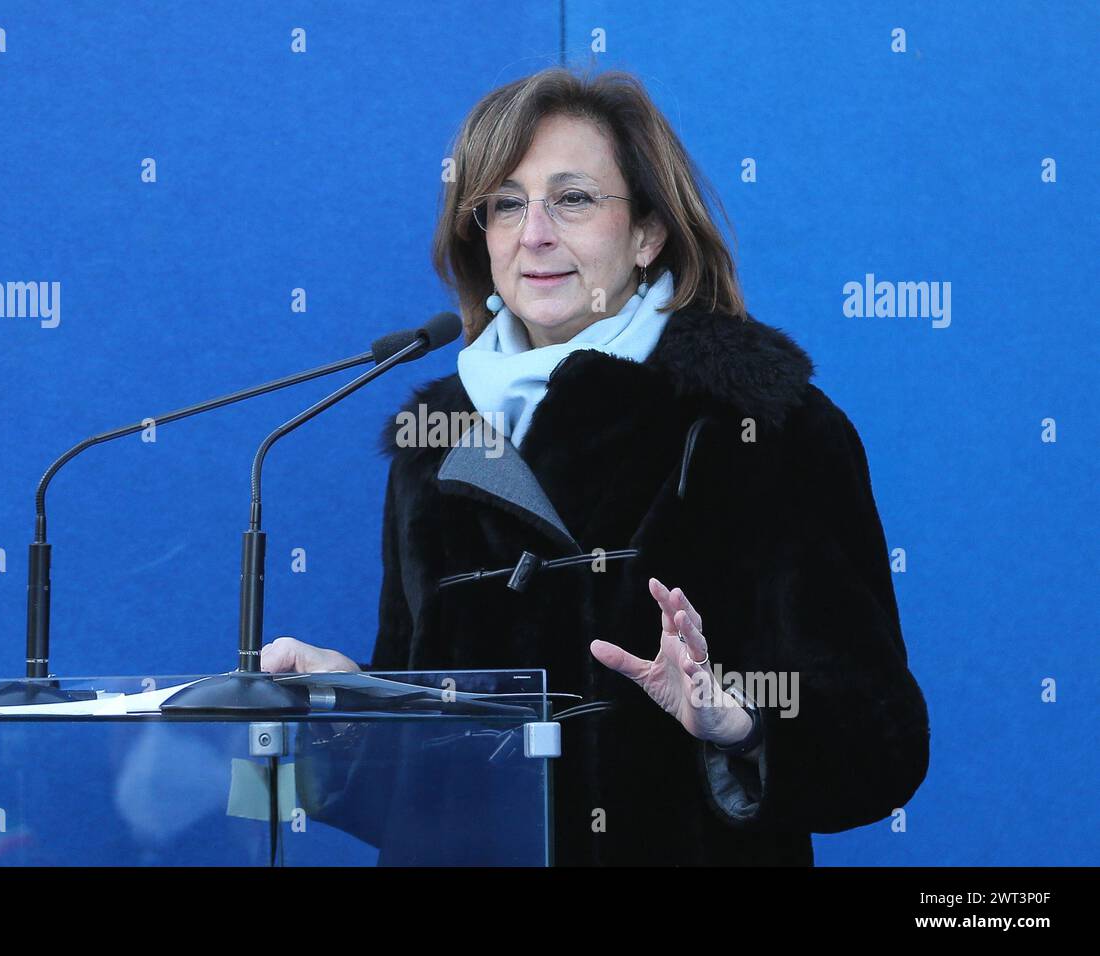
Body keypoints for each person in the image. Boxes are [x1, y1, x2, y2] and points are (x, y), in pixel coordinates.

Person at [263, 66, 930, 866]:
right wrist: (354, 700)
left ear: (647, 232)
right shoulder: (436, 442)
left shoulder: (761, 426)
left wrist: (740, 719)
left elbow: (880, 741)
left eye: (572, 199)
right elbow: (425, 778)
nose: (533, 233)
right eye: (506, 204)